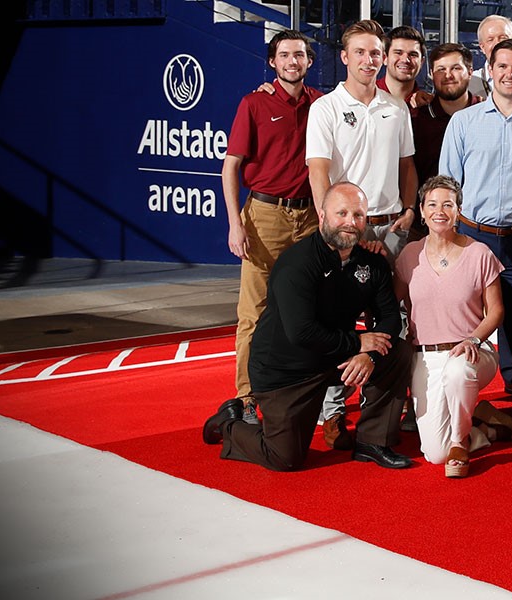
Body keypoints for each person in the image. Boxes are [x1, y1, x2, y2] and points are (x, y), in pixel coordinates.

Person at [204, 183, 414, 472]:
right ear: (322, 214)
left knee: (398, 351)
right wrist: (357, 343)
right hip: (287, 370)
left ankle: (372, 442)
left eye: (358, 215)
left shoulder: (372, 262)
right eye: (341, 213)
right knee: (285, 457)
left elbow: (390, 317)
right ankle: (229, 422)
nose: (350, 223)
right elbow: (301, 333)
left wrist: (370, 355)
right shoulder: (297, 264)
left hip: (334, 358)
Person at [438, 37, 512, 441]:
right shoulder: (464, 123)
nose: (509, 73)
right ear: (488, 72)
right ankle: (447, 412)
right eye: (502, 66)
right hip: (472, 237)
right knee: (457, 324)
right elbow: (449, 184)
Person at [221, 30, 323, 424]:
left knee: (309, 309)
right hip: (264, 216)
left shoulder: (322, 104)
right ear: (272, 62)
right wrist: (235, 224)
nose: (292, 62)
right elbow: (230, 167)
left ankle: (305, 388)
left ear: (309, 61)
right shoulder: (254, 103)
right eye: (285, 56)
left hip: (311, 217)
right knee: (254, 313)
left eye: (299, 55)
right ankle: (247, 397)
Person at [395, 176, 505, 478]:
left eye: (448, 204)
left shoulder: (480, 253)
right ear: (421, 210)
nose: (440, 211)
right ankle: (481, 426)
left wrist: (474, 339)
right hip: (426, 357)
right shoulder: (409, 255)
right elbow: (389, 299)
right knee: (434, 454)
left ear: (459, 210)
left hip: (472, 352)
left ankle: (460, 441)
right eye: (432, 204)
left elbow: (496, 311)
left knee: (458, 371)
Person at [307, 19, 417, 260]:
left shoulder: (398, 107)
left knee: (390, 297)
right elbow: (317, 172)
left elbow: (406, 164)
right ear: (345, 57)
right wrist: (330, 221)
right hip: (348, 226)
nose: (368, 60)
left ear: (383, 58)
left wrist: (409, 210)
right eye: (360, 52)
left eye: (375, 53)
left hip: (392, 227)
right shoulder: (325, 108)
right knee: (348, 297)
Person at [412, 42, 483, 183]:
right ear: (431, 74)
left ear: (470, 72)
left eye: (456, 68)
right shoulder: (418, 119)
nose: (448, 75)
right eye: (441, 69)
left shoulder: (486, 117)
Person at [466, 15, 512, 98]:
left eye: (503, 38)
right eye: (490, 40)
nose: (497, 43)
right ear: (482, 47)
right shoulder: (470, 83)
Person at [381, 26, 432, 108]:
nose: (405, 60)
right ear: (385, 58)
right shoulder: (366, 98)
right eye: (398, 53)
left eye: (413, 55)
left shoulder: (428, 107)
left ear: (422, 62)